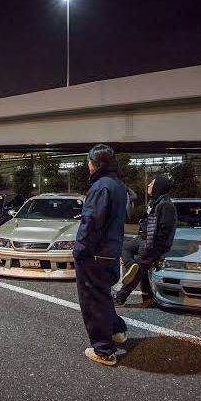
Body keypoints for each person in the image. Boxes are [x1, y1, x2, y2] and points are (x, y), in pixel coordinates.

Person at [73, 144, 128, 366]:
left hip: (95, 254)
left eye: (88, 161)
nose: (88, 165)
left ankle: (104, 351)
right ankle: (117, 331)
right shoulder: (118, 185)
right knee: (102, 295)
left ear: (96, 163)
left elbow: (91, 222)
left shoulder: (100, 186)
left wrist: (79, 249)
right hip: (111, 251)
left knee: (92, 301)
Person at [115, 176, 177, 307]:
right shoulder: (154, 202)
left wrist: (153, 248)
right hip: (143, 238)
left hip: (153, 244)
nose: (148, 185)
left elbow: (165, 230)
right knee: (122, 246)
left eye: (152, 184)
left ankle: (120, 297)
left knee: (140, 267)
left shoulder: (166, 205)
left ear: (158, 187)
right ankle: (131, 267)